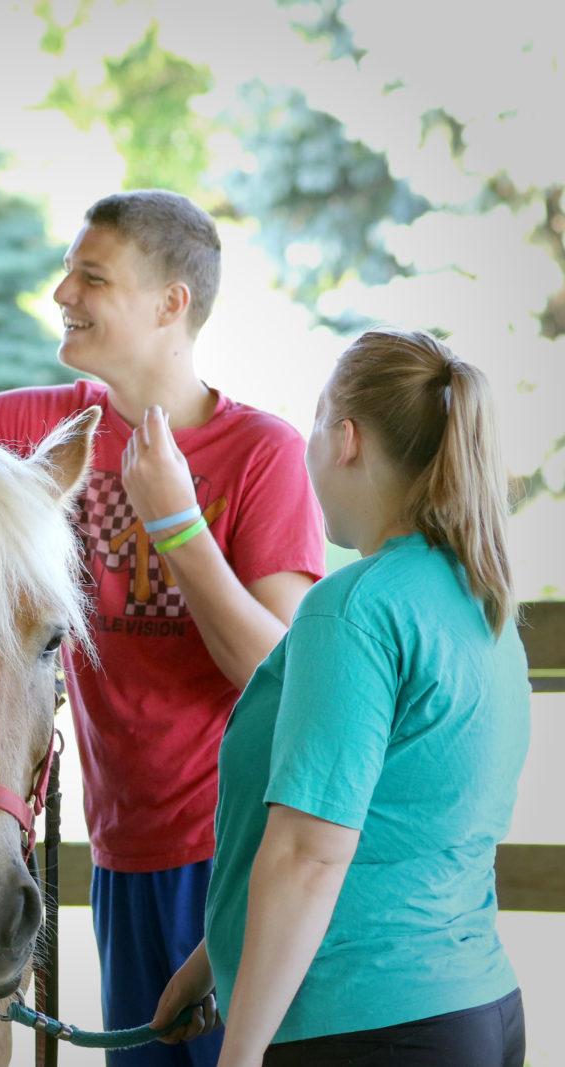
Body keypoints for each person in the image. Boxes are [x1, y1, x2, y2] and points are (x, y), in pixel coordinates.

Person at [0, 190, 325, 1065]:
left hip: (238, 853)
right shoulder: (40, 427)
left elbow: (281, 672)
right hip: (120, 853)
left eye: (92, 276)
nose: (61, 294)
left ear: (170, 305)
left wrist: (177, 527)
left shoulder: (262, 453)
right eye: (68, 271)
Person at [151, 329, 530, 1066]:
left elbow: (309, 855)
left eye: (315, 423)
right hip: (473, 1006)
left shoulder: (353, 608)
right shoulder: (479, 598)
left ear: (345, 439)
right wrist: (213, 961)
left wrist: (242, 1052)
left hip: (363, 1026)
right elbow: (393, 820)